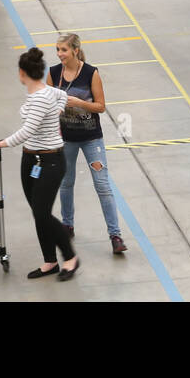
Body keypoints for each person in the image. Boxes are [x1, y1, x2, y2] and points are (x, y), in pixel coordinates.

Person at [0, 48, 79, 281]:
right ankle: (50, 261)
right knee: (39, 213)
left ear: (22, 73)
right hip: (31, 160)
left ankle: (70, 258)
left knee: (41, 212)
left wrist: (0, 144)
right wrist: (56, 111)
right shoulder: (46, 92)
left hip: (50, 161)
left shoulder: (39, 98)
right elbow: (62, 97)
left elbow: (27, 130)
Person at [50, 33, 126, 255]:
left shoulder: (91, 73)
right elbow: (47, 100)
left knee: (102, 185)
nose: (59, 54)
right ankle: (68, 225)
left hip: (92, 138)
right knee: (66, 182)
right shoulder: (54, 73)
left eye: (63, 50)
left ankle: (115, 235)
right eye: (57, 49)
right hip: (66, 138)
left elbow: (101, 106)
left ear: (75, 50)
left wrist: (80, 103)